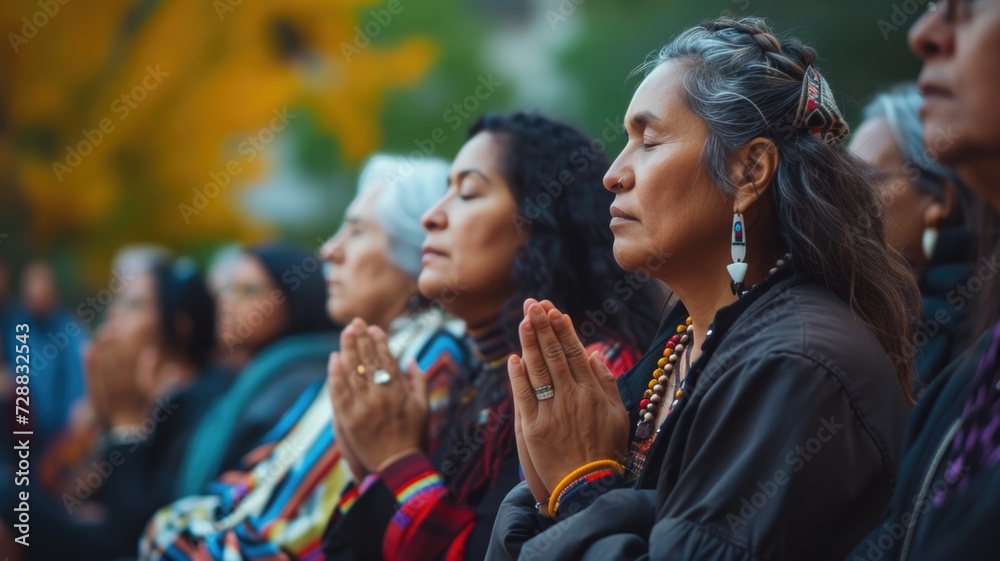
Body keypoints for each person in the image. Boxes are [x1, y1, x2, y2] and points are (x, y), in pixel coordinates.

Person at [488, 17, 920, 561]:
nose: (614, 173)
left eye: (648, 141)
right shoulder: (688, 340)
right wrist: (542, 491)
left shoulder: (797, 364)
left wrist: (579, 486)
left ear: (749, 171)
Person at [322, 112, 663, 561]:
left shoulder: (585, 373)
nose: (431, 217)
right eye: (444, 191)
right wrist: (372, 464)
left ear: (540, 222)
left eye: (467, 193)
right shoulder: (472, 372)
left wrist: (394, 462)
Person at [140, 155, 463, 560]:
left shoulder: (425, 356)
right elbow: (254, 489)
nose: (330, 250)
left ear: (418, 253)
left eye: (358, 232)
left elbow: (309, 537)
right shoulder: (368, 353)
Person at [849, 1, 1000, 559]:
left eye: (868, 183)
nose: (923, 33)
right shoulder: (982, 357)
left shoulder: (942, 343)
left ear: (939, 203)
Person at [1, 256, 225, 561]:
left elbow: (131, 540)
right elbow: (71, 492)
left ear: (180, 326)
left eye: (133, 306)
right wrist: (98, 418)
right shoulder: (135, 392)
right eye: (115, 304)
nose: (113, 317)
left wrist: (125, 425)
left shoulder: (200, 407)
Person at [175, 241, 339, 496]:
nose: (228, 302)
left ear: (294, 299)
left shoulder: (297, 385)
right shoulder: (251, 375)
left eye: (248, 290)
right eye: (228, 288)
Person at [851, 84, 982, 388]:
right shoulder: (882, 320)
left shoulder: (969, 339)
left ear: (939, 201)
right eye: (847, 181)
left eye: (869, 180)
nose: (847, 199)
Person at [4, 261, 89, 454]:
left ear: (54, 293)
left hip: (62, 437)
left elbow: (79, 383)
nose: (36, 299)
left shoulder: (71, 330)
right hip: (22, 437)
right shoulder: (15, 328)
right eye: (30, 295)